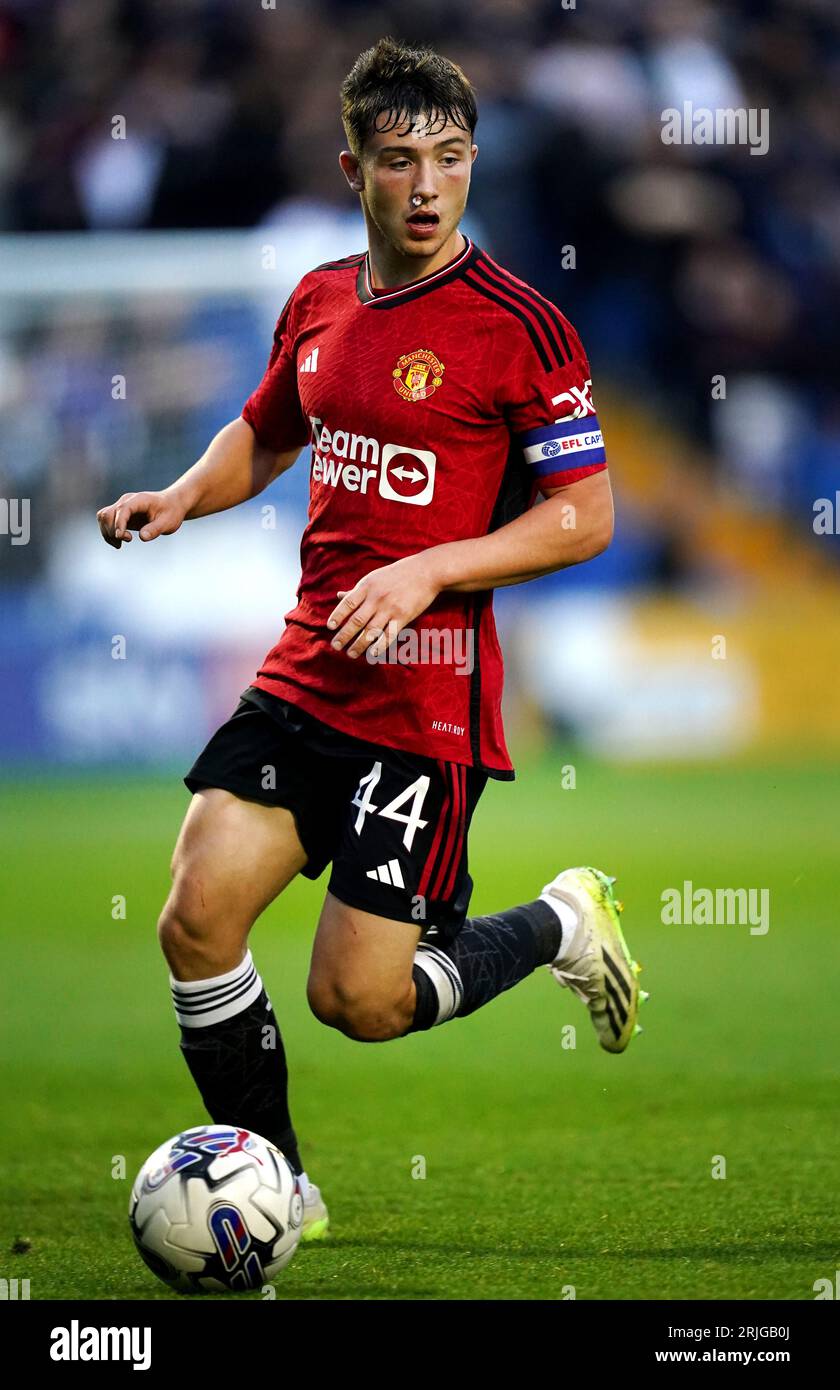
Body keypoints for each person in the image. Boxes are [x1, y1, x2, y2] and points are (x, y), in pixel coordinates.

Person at [97, 36, 646, 1246]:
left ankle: (558, 919)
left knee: (361, 1000)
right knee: (193, 921)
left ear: (472, 164)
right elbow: (269, 428)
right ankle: (277, 1187)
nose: (428, 184)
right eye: (400, 160)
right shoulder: (321, 298)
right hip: (307, 671)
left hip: (424, 704)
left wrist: (432, 567)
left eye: (449, 158)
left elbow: (585, 517)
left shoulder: (523, 326)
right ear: (355, 168)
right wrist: (181, 495)